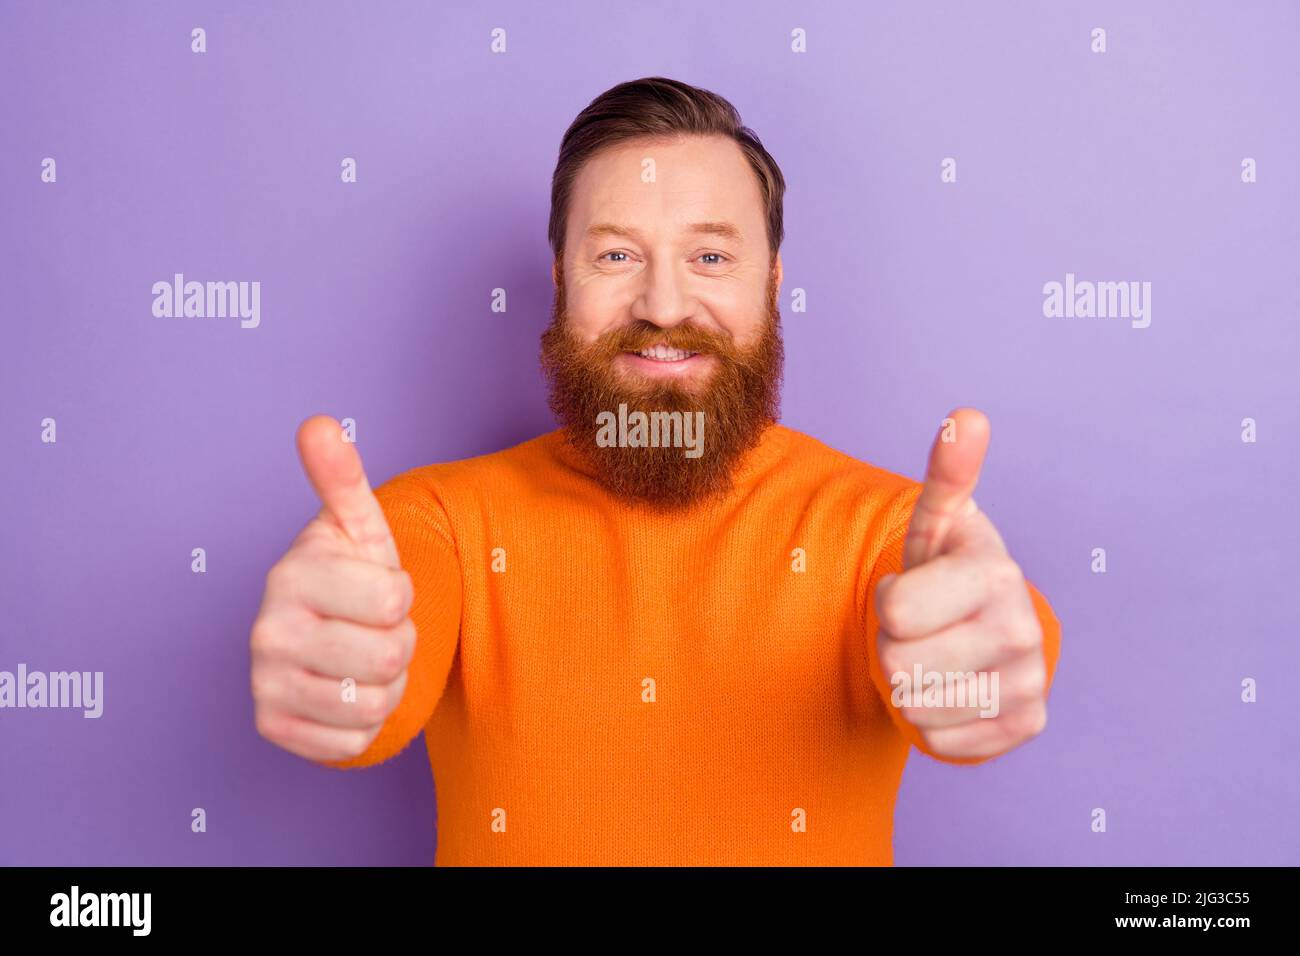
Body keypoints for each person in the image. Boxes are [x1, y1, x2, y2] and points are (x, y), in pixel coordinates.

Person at [249, 77, 1062, 865]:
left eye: (710, 255)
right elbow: (370, 673)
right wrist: (338, 671)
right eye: (615, 256)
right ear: (564, 282)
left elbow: (977, 632)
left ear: (772, 285)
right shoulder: (437, 524)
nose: (664, 306)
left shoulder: (888, 531)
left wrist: (983, 674)